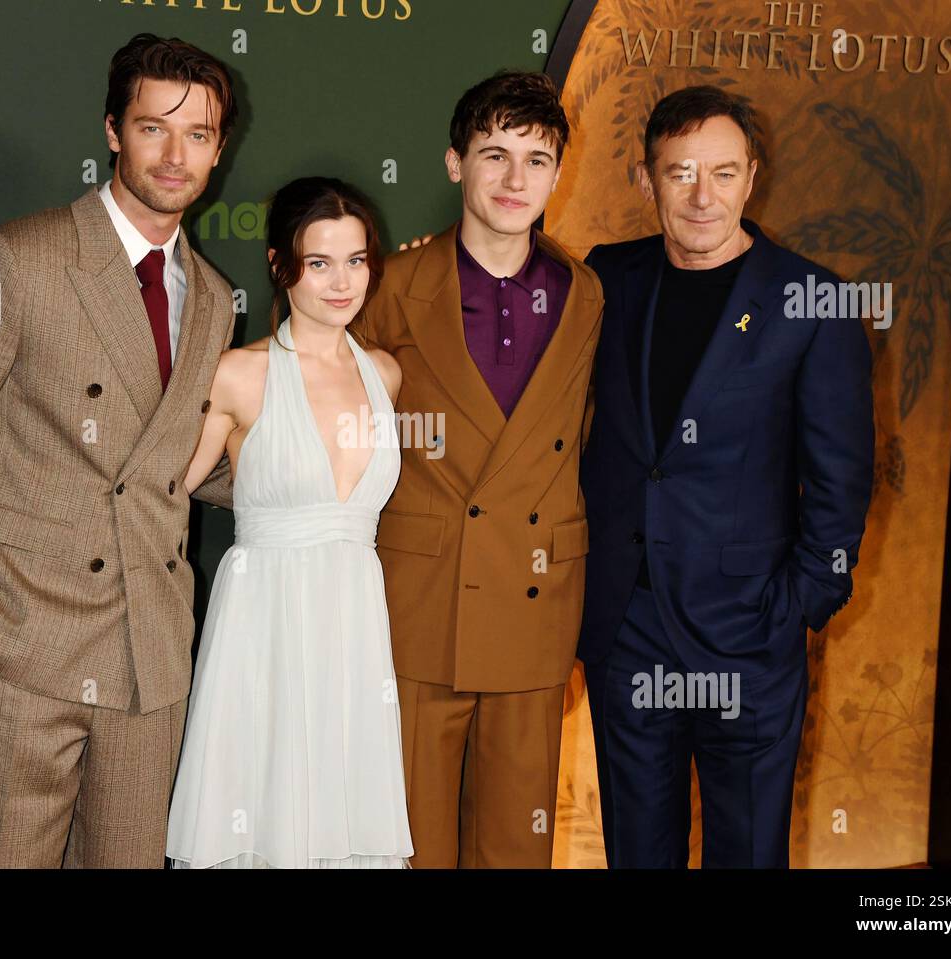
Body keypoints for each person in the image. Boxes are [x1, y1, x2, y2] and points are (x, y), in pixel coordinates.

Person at [0, 33, 239, 868]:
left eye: (198, 135)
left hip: (150, 657)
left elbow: (173, 459)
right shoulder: (18, 259)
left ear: (221, 149)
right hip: (19, 642)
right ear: (113, 129)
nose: (175, 154)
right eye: (154, 127)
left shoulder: (218, 298)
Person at [578, 85, 875, 867]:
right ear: (647, 180)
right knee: (638, 853)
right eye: (679, 173)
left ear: (752, 177)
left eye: (722, 172)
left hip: (751, 631)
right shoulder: (608, 278)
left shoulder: (814, 302)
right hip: (629, 629)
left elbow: (842, 480)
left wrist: (800, 604)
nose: (701, 196)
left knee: (747, 854)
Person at [360, 71, 604, 868]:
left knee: (515, 845)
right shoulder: (392, 284)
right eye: (494, 154)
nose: (514, 179)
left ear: (558, 173)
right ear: (454, 163)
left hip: (534, 605)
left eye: (536, 160)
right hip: (417, 603)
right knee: (407, 843)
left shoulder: (585, 294)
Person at [165, 177, 413, 868]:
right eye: (320, 262)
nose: (343, 282)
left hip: (355, 628)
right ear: (281, 265)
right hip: (262, 625)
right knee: (258, 812)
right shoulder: (238, 374)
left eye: (357, 260)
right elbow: (161, 491)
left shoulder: (385, 375)